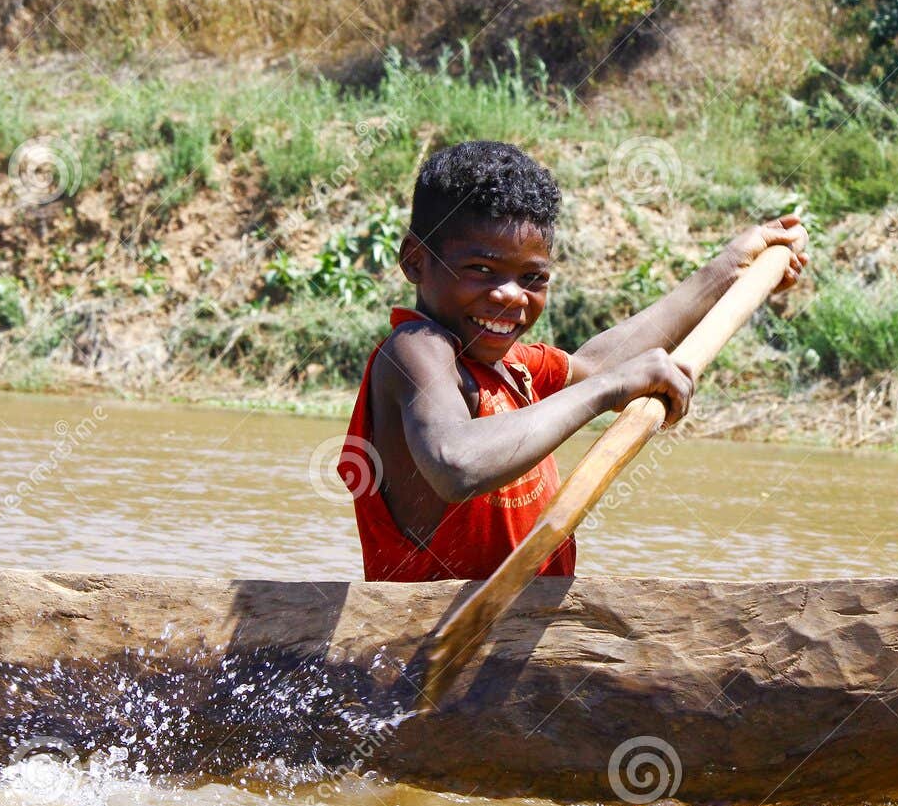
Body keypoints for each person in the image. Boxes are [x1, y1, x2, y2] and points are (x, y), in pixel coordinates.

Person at [339, 140, 807, 582]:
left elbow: (599, 365)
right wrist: (608, 391)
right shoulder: (415, 349)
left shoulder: (512, 367)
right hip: (426, 657)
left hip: (521, 650)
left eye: (532, 277)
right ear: (415, 262)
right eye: (481, 270)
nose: (509, 296)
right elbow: (457, 462)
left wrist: (729, 269)